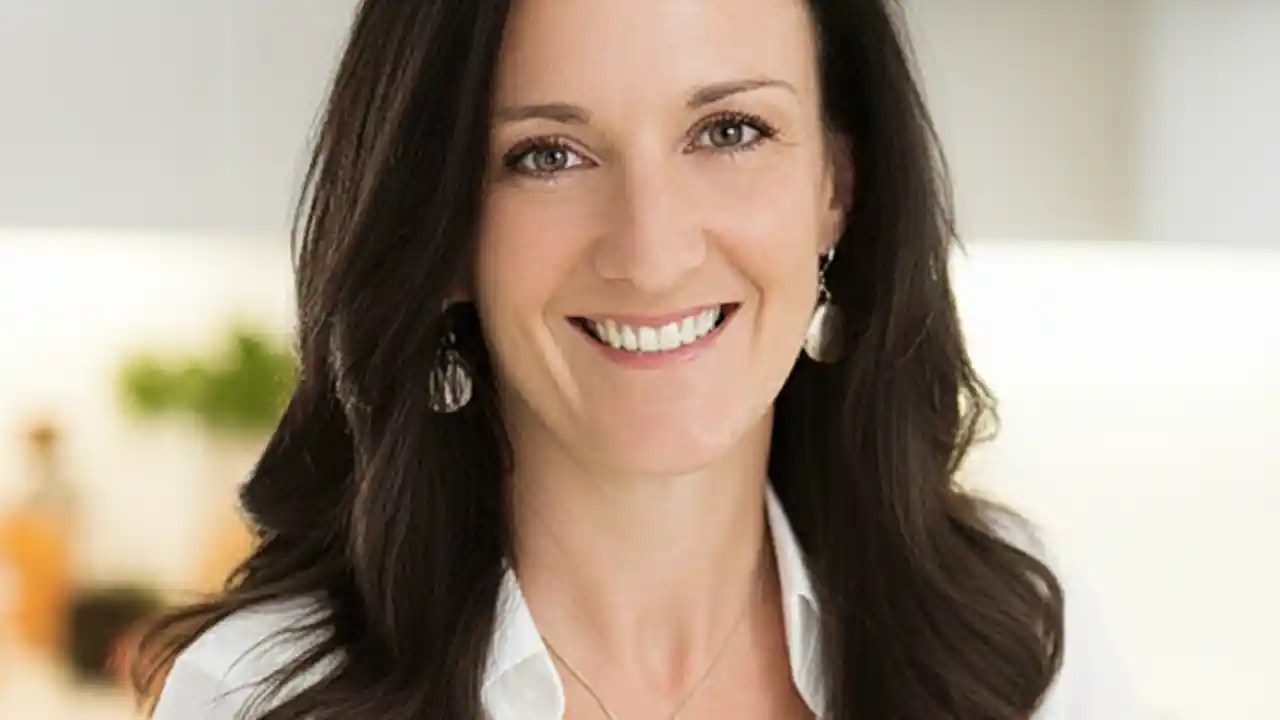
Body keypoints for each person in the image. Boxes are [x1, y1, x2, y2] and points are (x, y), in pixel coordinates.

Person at [136, 0, 1139, 717]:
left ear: (835, 187)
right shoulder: (258, 699)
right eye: (547, 155)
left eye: (730, 130)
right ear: (437, 229)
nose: (651, 254)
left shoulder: (1017, 646)